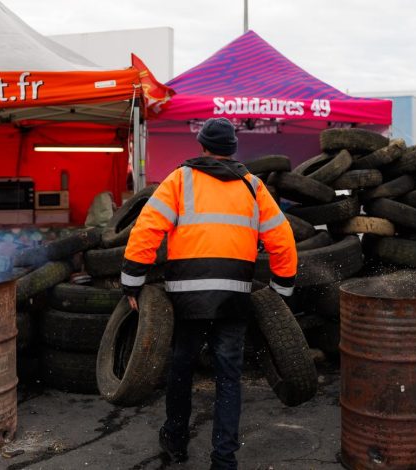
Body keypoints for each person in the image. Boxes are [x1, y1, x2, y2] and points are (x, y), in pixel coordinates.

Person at [120, 117, 298, 469]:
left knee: (182, 367)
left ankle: (175, 440)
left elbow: (147, 229)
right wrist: (282, 288)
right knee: (229, 376)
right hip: (234, 296)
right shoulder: (252, 186)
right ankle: (224, 459)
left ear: (201, 146)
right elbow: (282, 238)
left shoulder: (179, 179)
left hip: (187, 297)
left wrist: (132, 281)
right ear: (233, 149)